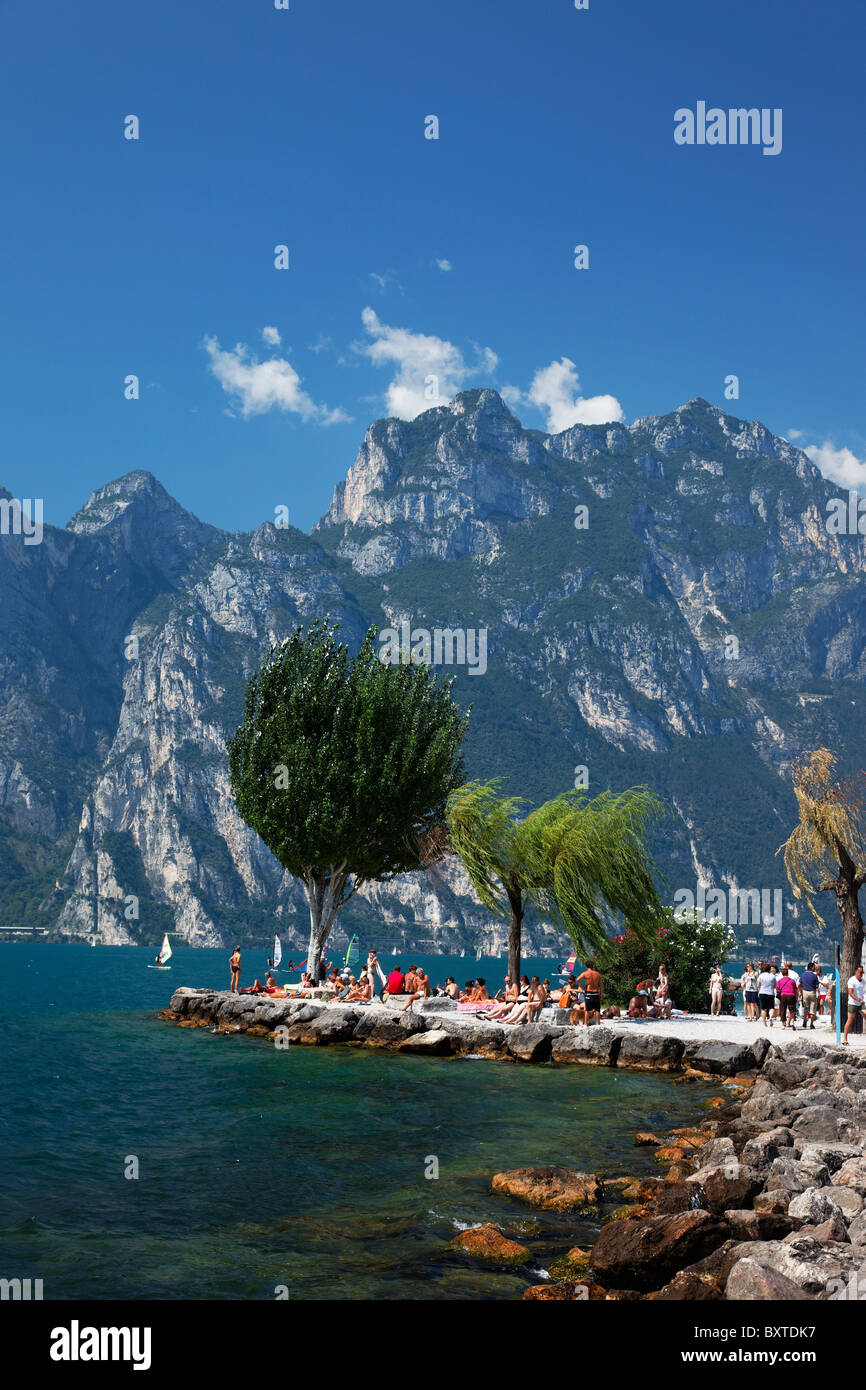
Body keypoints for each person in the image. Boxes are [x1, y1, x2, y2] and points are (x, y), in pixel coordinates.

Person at [843, 965, 865, 1046]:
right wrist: (858, 999)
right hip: (853, 1003)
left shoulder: (863, 981)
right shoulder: (851, 980)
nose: (861, 974)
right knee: (850, 1021)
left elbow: (863, 992)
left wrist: (862, 1000)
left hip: (861, 1003)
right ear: (856, 972)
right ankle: (845, 1039)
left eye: (862, 972)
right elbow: (850, 993)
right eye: (860, 972)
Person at [575, 961, 602, 1025]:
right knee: (597, 1009)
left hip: (589, 993)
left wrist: (583, 987)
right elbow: (601, 985)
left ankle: (586, 1024)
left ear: (586, 966)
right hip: (596, 993)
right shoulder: (597, 974)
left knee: (587, 1009)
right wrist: (601, 994)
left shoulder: (585, 973)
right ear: (592, 966)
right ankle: (598, 1024)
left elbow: (577, 980)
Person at [799, 962, 820, 1029]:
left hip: (805, 992)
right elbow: (817, 986)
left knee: (806, 1008)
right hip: (812, 992)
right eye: (814, 967)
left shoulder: (803, 974)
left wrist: (800, 992)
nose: (815, 968)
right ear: (811, 967)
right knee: (813, 1009)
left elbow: (799, 984)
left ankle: (805, 1021)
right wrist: (818, 993)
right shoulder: (814, 975)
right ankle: (811, 1024)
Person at [757, 961, 777, 1028]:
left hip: (762, 992)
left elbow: (758, 985)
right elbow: (775, 986)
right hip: (770, 993)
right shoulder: (772, 976)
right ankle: (771, 1017)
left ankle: (764, 1023)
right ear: (769, 969)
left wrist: (759, 992)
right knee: (771, 1007)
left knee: (763, 1009)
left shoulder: (761, 976)